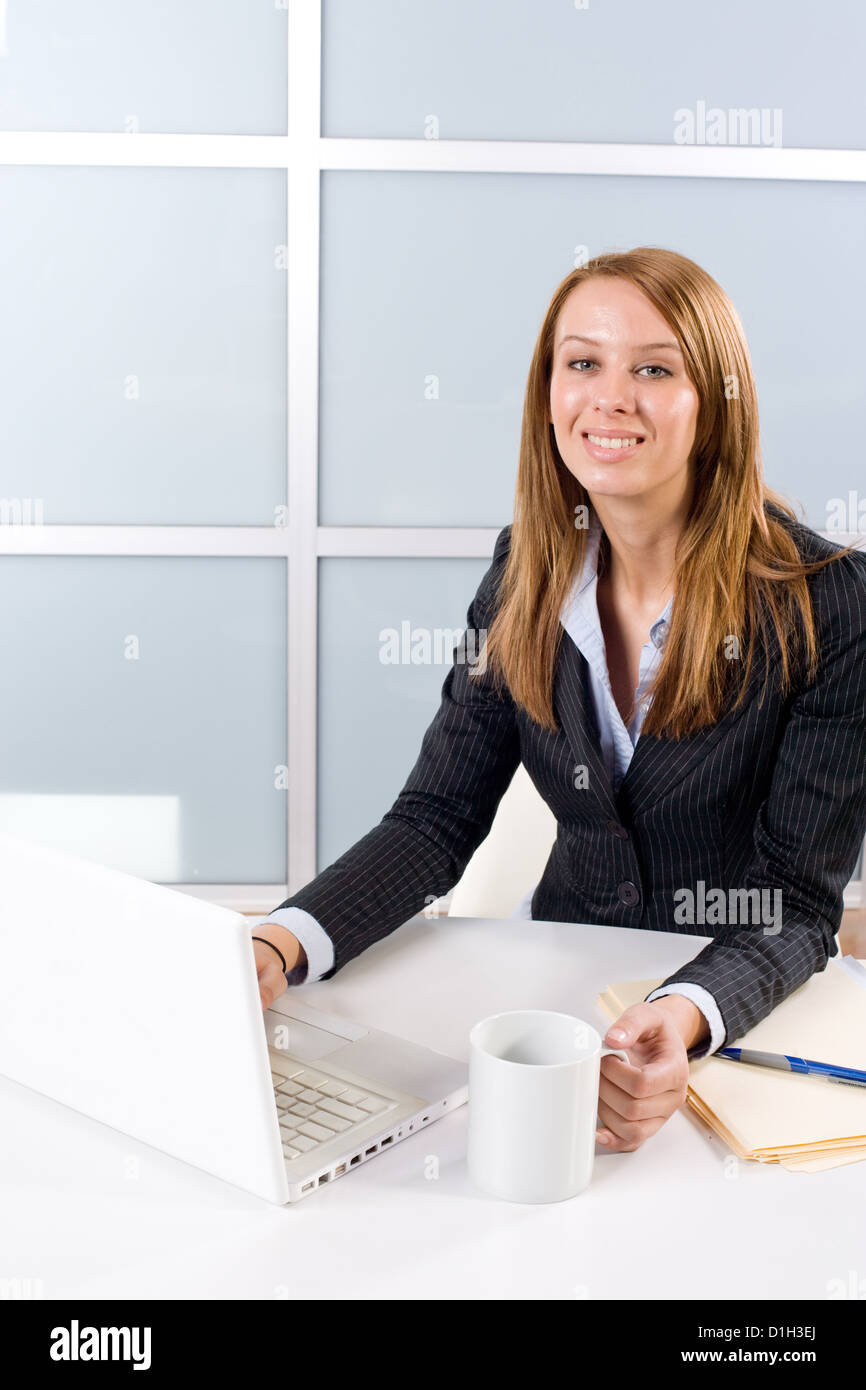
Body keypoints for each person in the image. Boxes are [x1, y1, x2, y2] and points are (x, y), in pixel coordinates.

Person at [251, 247, 866, 1155]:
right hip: (554, 983)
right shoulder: (523, 574)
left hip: (733, 1013)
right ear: (550, 392)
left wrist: (687, 1014)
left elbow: (797, 907)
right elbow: (434, 817)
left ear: (718, 404)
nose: (610, 398)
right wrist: (279, 944)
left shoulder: (831, 604)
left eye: (654, 369)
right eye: (582, 363)